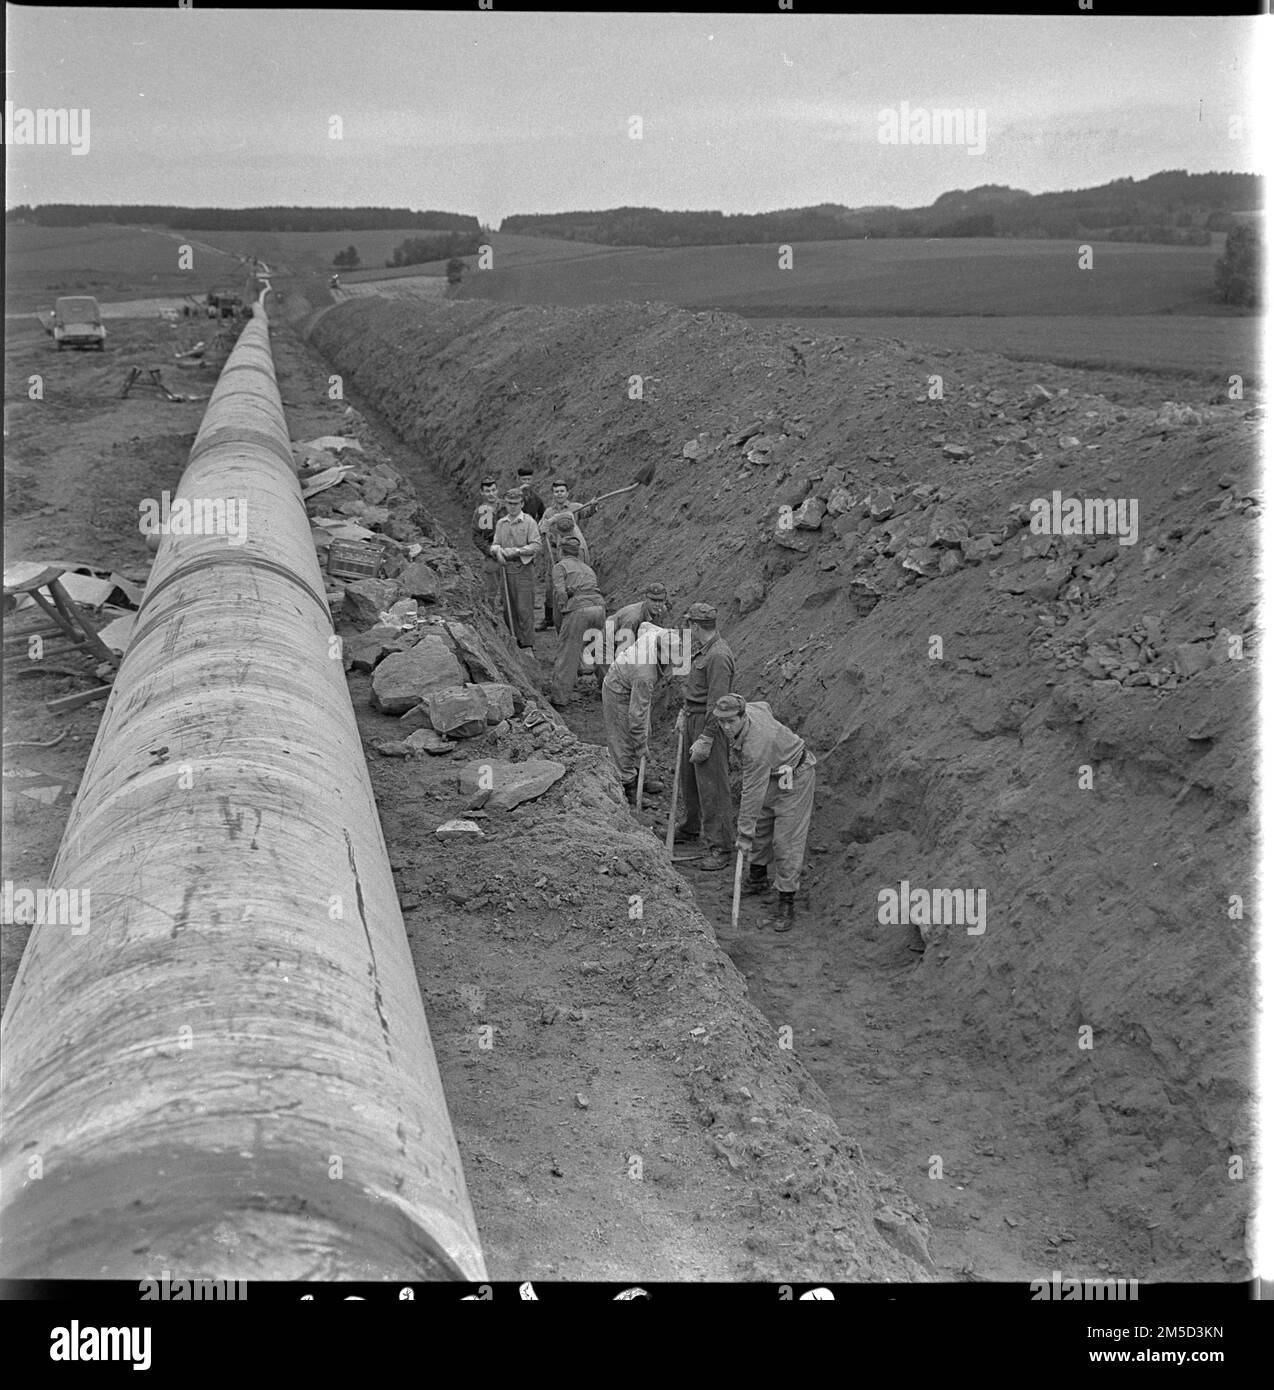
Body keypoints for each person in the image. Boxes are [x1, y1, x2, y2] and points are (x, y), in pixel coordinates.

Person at [712, 693, 818, 933]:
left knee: (785, 841)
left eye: (731, 722)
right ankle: (758, 879)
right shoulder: (750, 709)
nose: (726, 727)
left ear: (742, 716)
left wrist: (743, 834)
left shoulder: (756, 746)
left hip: (796, 777)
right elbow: (765, 706)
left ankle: (786, 901)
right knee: (762, 826)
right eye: (722, 722)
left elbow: (751, 792)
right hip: (774, 774)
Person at [672, 603, 737, 872]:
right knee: (690, 781)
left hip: (708, 723)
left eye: (690, 625)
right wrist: (683, 712)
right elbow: (695, 689)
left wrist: (707, 737)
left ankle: (720, 846)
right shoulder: (705, 650)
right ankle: (691, 828)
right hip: (692, 717)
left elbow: (719, 703)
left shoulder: (719, 656)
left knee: (712, 787)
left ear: (696, 626)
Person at [601, 623, 672, 804]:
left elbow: (644, 625)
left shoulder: (659, 634)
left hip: (631, 676)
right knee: (623, 737)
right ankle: (627, 783)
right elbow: (636, 716)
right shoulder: (645, 674)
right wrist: (641, 747)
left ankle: (637, 772)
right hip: (617, 689)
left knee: (642, 730)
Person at [549, 536, 606, 707]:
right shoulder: (588, 569)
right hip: (599, 608)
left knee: (568, 654)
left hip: (578, 610)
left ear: (561, 551)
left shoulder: (560, 567)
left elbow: (560, 593)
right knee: (600, 651)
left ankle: (559, 698)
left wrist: (563, 609)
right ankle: (608, 689)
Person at [490, 487, 541, 648]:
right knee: (508, 610)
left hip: (523, 570)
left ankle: (527, 645)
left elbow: (536, 545)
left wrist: (516, 551)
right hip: (506, 571)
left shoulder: (529, 522)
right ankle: (515, 641)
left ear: (522, 504)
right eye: (509, 503)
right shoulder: (501, 523)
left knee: (524, 610)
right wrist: (497, 551)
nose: (512, 507)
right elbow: (495, 544)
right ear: (505, 504)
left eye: (516, 503)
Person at [597, 582, 670, 690]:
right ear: (646, 599)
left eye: (660, 601)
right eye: (653, 600)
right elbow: (621, 652)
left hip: (629, 638)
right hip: (607, 644)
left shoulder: (662, 611)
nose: (657, 604)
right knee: (613, 682)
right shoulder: (633, 618)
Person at [471, 476, 504, 612]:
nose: (491, 494)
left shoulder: (507, 506)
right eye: (487, 491)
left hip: (510, 552)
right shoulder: (480, 512)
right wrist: (489, 550)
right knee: (491, 590)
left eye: (493, 490)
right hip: (492, 554)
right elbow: (476, 536)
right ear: (482, 493)